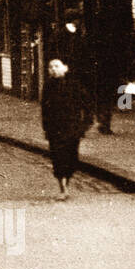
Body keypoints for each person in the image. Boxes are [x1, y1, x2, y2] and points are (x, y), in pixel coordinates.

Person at [40, 57, 91, 200]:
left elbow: (87, 105)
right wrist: (46, 127)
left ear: (64, 68)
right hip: (54, 128)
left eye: (56, 66)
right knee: (57, 157)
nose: (53, 69)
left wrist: (84, 125)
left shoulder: (74, 85)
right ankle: (62, 188)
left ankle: (66, 181)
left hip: (72, 127)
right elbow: (45, 108)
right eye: (50, 67)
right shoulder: (48, 86)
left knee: (71, 158)